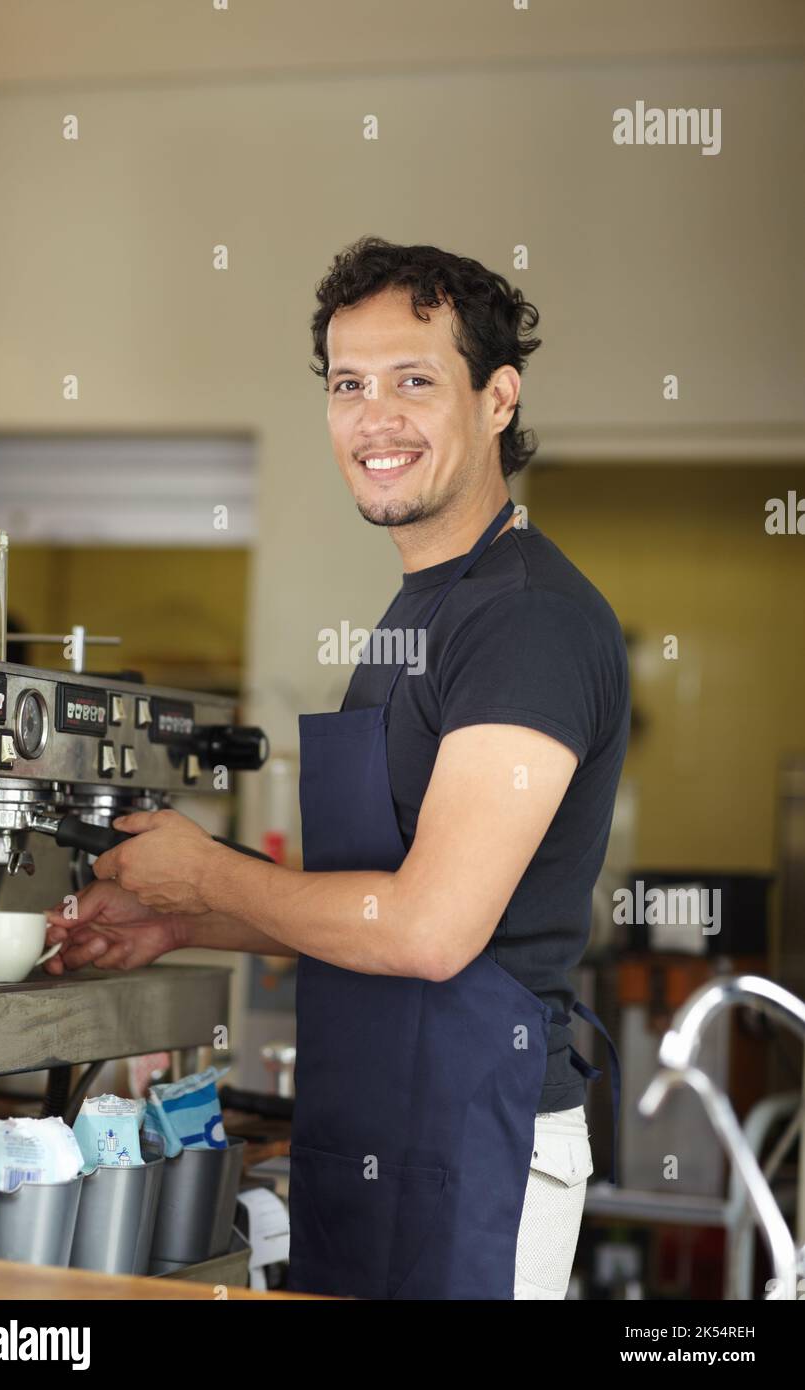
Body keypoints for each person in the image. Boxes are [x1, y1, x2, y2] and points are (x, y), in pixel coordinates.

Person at [45, 236, 628, 1301]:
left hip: (475, 1143)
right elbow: (364, 905)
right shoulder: (430, 604)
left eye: (414, 379)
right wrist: (180, 919)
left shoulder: (523, 619)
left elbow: (427, 927)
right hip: (384, 1122)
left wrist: (207, 876)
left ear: (498, 398)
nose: (375, 419)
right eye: (348, 384)